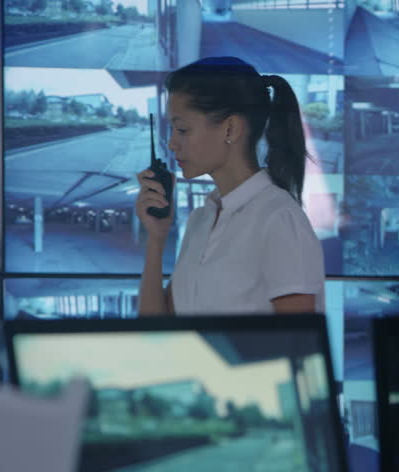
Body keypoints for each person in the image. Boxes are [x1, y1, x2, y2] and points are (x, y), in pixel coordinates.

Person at [137, 57, 325, 315]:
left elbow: (298, 346)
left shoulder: (279, 218)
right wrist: (156, 239)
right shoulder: (200, 220)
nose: (172, 144)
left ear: (230, 129)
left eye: (181, 129)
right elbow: (156, 334)